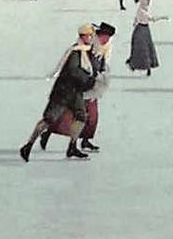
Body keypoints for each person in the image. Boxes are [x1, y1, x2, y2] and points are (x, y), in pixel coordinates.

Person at [19, 26, 97, 161]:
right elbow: (74, 71)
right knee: (49, 119)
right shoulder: (75, 52)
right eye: (89, 36)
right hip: (64, 92)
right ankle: (28, 145)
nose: (91, 38)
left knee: (81, 117)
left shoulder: (87, 51)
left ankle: (72, 147)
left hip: (75, 91)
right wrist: (88, 79)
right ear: (83, 36)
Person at [40, 22, 116, 153]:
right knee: (69, 116)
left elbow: (103, 62)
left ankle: (84, 141)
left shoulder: (106, 47)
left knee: (92, 117)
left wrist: (102, 76)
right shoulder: (89, 44)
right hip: (82, 85)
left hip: (92, 86)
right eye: (105, 37)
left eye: (109, 38)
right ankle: (51, 134)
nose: (107, 40)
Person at [126, 0, 168, 76]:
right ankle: (138, 65)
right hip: (141, 31)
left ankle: (140, 66)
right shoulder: (142, 11)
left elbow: (136, 19)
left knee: (146, 48)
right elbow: (151, 18)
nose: (149, 2)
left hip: (144, 30)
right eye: (147, 0)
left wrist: (135, 22)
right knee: (142, 49)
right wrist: (162, 17)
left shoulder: (142, 9)